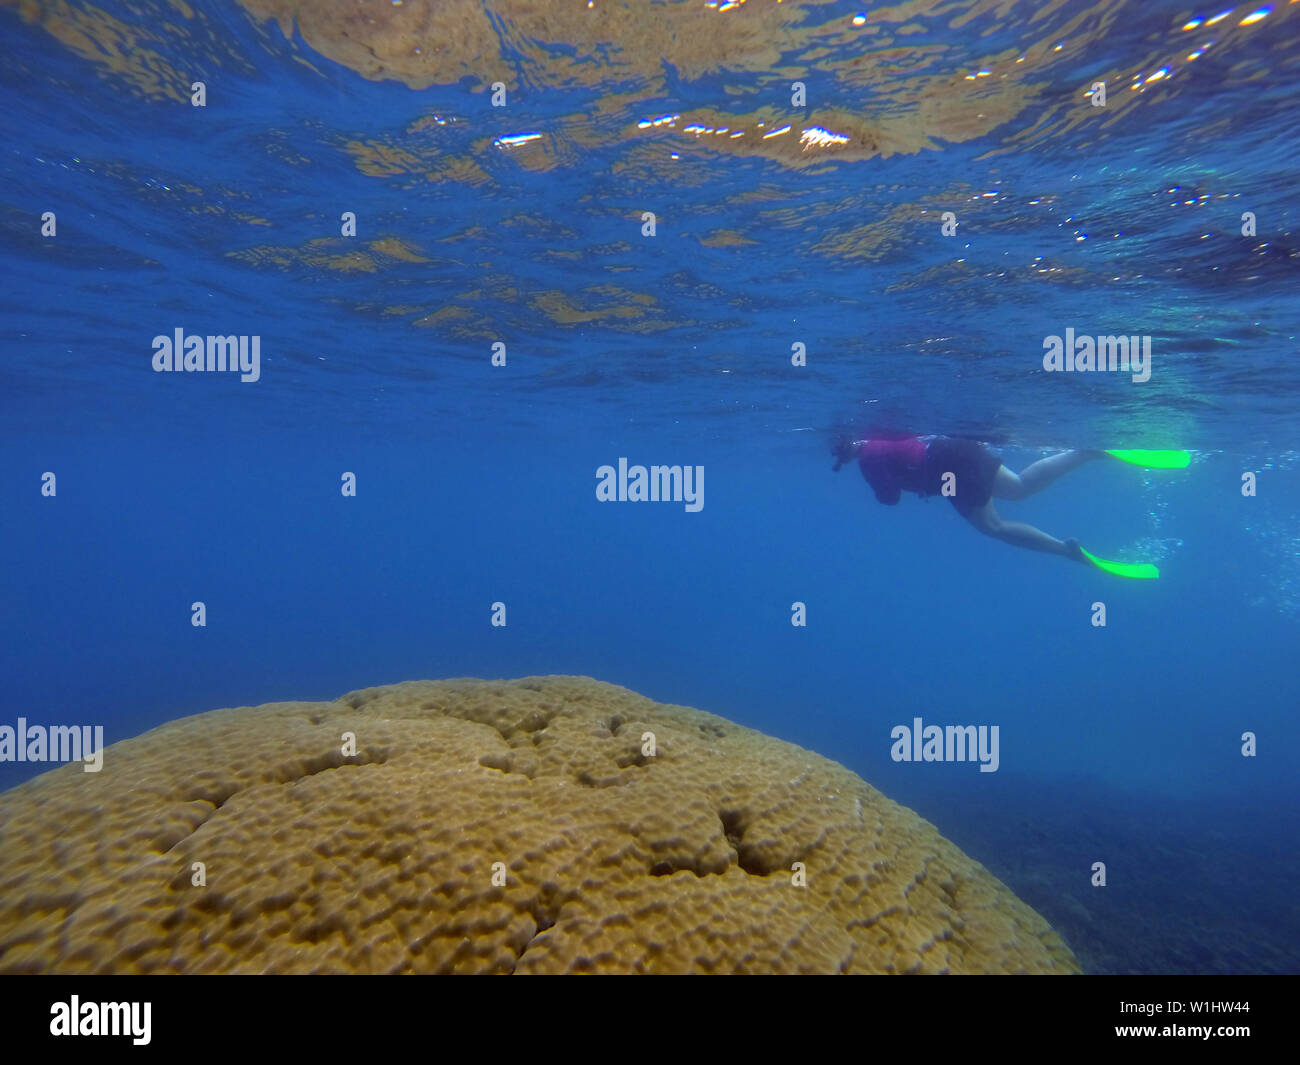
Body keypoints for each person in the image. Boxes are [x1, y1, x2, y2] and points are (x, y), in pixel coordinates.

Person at [831, 434, 1107, 563]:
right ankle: (1084, 453)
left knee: (992, 527)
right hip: (957, 447)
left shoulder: (868, 460)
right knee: (1021, 487)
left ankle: (1063, 549)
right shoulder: (881, 430)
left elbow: (890, 499)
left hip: (945, 469)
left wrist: (880, 487)